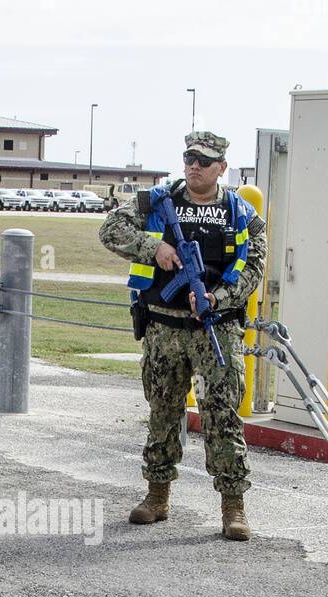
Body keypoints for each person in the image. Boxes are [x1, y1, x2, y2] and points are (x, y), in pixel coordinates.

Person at [99, 131, 267, 542]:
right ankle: (157, 497)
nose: (195, 165)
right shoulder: (159, 200)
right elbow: (109, 230)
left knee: (222, 415)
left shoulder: (240, 213)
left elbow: (254, 269)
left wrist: (217, 297)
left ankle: (233, 506)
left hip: (216, 329)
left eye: (205, 161)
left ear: (222, 168)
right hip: (164, 326)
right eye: (190, 157)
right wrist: (152, 249)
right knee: (163, 410)